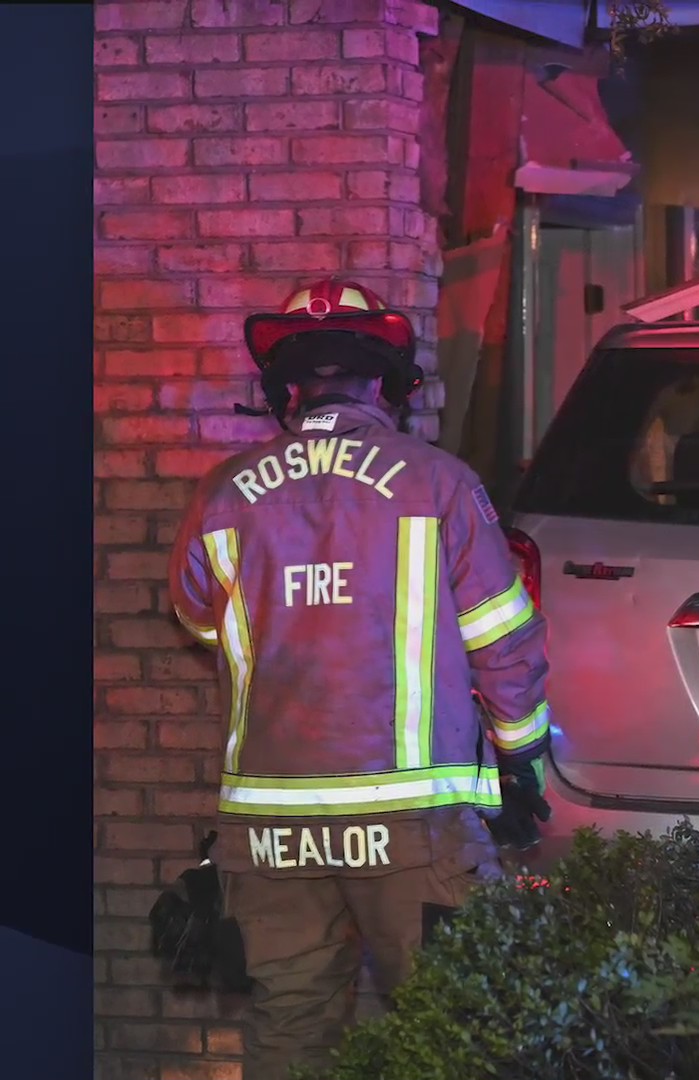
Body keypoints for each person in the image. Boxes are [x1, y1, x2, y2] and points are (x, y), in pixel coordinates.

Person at [168, 277, 556, 1078]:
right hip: (415, 825)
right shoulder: (439, 483)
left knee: (291, 1036)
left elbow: (201, 621)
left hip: (270, 832)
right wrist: (520, 761)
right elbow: (503, 642)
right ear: (386, 383)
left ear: (287, 388)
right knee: (459, 1030)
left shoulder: (223, 494)